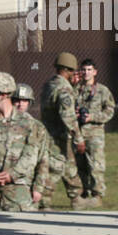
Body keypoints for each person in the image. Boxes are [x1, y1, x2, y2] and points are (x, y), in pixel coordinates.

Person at [0, 74, 50, 211]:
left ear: (3, 93)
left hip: (18, 193)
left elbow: (33, 157)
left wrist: (12, 175)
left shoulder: (31, 125)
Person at [39, 52, 87, 210]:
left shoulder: (50, 84)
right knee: (55, 169)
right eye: (73, 71)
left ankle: (76, 198)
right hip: (58, 136)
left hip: (49, 133)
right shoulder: (64, 89)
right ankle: (43, 202)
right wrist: (78, 138)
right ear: (69, 70)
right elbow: (68, 116)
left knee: (69, 166)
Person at [75, 59, 115, 207]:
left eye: (89, 69)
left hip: (95, 133)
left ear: (95, 72)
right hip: (78, 133)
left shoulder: (102, 91)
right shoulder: (75, 90)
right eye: (84, 70)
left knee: (96, 164)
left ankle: (97, 194)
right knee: (80, 165)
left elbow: (109, 111)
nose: (86, 73)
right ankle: (84, 193)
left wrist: (93, 117)